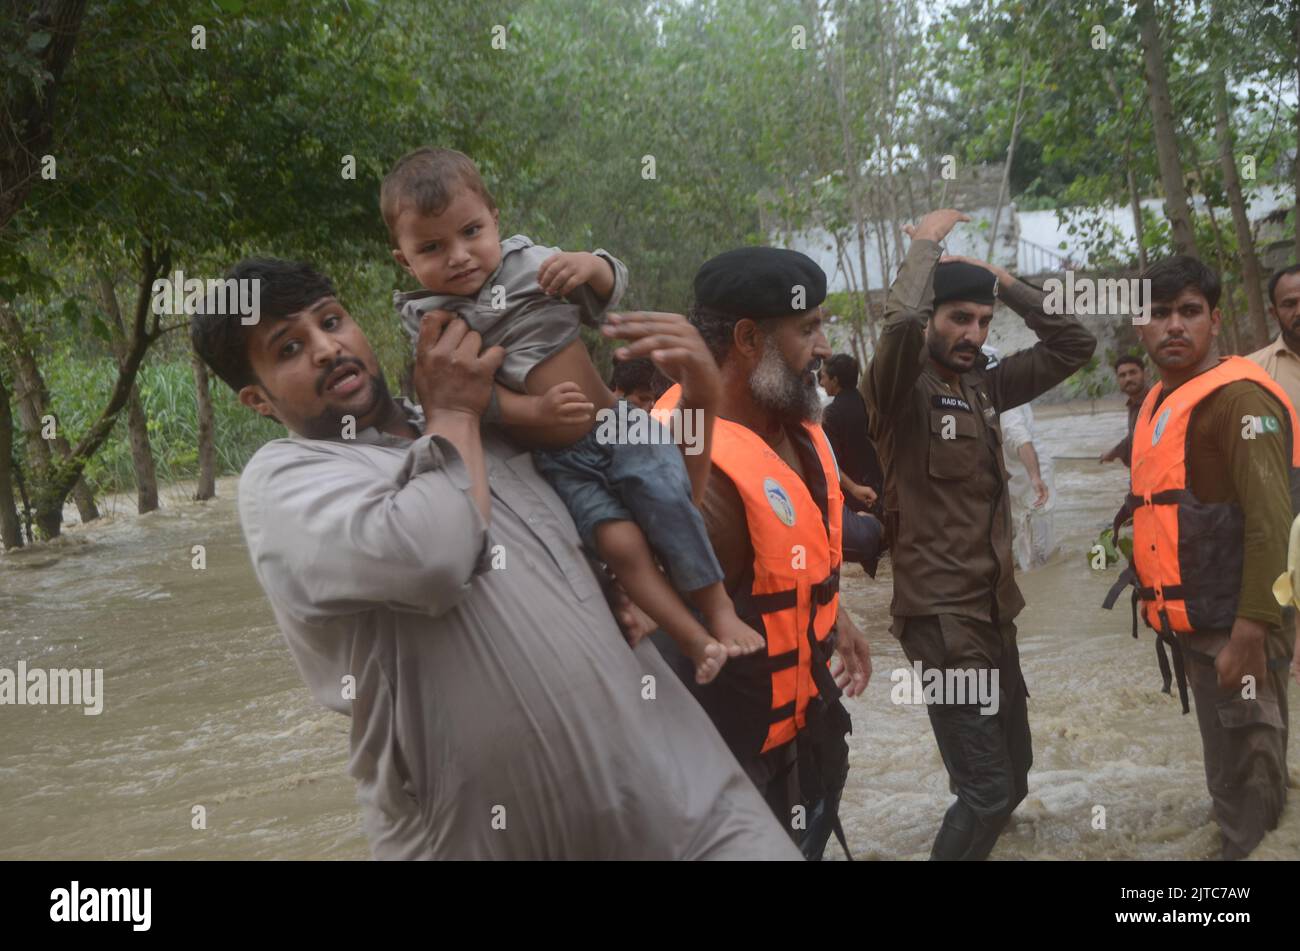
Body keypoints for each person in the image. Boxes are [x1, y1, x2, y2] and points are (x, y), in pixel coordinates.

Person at [190, 257, 799, 860]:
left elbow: (662, 522)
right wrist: (454, 412)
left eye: (331, 321)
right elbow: (437, 555)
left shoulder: (496, 419)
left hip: (682, 800)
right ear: (257, 400)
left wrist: (699, 395)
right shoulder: (285, 481)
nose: (326, 348)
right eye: (290, 348)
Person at [383, 147, 762, 684]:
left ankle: (719, 609)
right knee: (619, 545)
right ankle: (695, 639)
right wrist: (529, 408)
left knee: (668, 498)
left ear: (495, 218)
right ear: (404, 259)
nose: (460, 256)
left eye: (471, 231)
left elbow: (607, 290)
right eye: (431, 247)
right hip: (560, 461)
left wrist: (594, 266)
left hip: (614, 424)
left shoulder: (533, 265)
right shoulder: (433, 322)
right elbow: (465, 399)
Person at [863, 208, 1096, 861]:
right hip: (941, 621)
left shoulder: (986, 388)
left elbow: (1075, 343)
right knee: (986, 790)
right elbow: (901, 325)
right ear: (932, 319)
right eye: (958, 317)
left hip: (994, 616)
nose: (973, 332)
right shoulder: (897, 393)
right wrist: (925, 246)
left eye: (984, 321)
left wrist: (1004, 280)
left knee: (1015, 777)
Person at [635, 247, 875, 860]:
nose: (824, 347)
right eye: (808, 328)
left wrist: (836, 616)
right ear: (747, 339)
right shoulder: (691, 472)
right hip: (729, 773)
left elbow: (792, 565)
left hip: (807, 737)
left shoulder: (792, 424)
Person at [1103, 255, 1297, 860]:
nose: (1174, 327)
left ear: (1215, 319)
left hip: (1238, 633)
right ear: (1141, 326)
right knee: (1231, 782)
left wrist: (1250, 634)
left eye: (1189, 312)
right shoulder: (1162, 400)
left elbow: (1273, 524)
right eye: (1159, 314)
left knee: (1253, 799)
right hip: (1199, 629)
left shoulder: (1240, 404)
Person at [1246, 263, 1300, 689]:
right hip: (1283, 513)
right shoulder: (1253, 374)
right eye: (1290, 303)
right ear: (1274, 311)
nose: (1299, 309)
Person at [819, 352, 885, 515]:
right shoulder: (868, 402)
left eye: (824, 377)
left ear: (835, 381)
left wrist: (854, 488)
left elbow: (832, 464)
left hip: (856, 494)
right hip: (882, 484)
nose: (821, 382)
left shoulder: (831, 414)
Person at [1098, 354, 1148, 466]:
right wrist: (1114, 453)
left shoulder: (1155, 401)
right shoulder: (1134, 404)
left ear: (1145, 374)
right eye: (1122, 375)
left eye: (1133, 373)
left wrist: (1114, 453)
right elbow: (1133, 437)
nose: (1128, 379)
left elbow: (1144, 441)